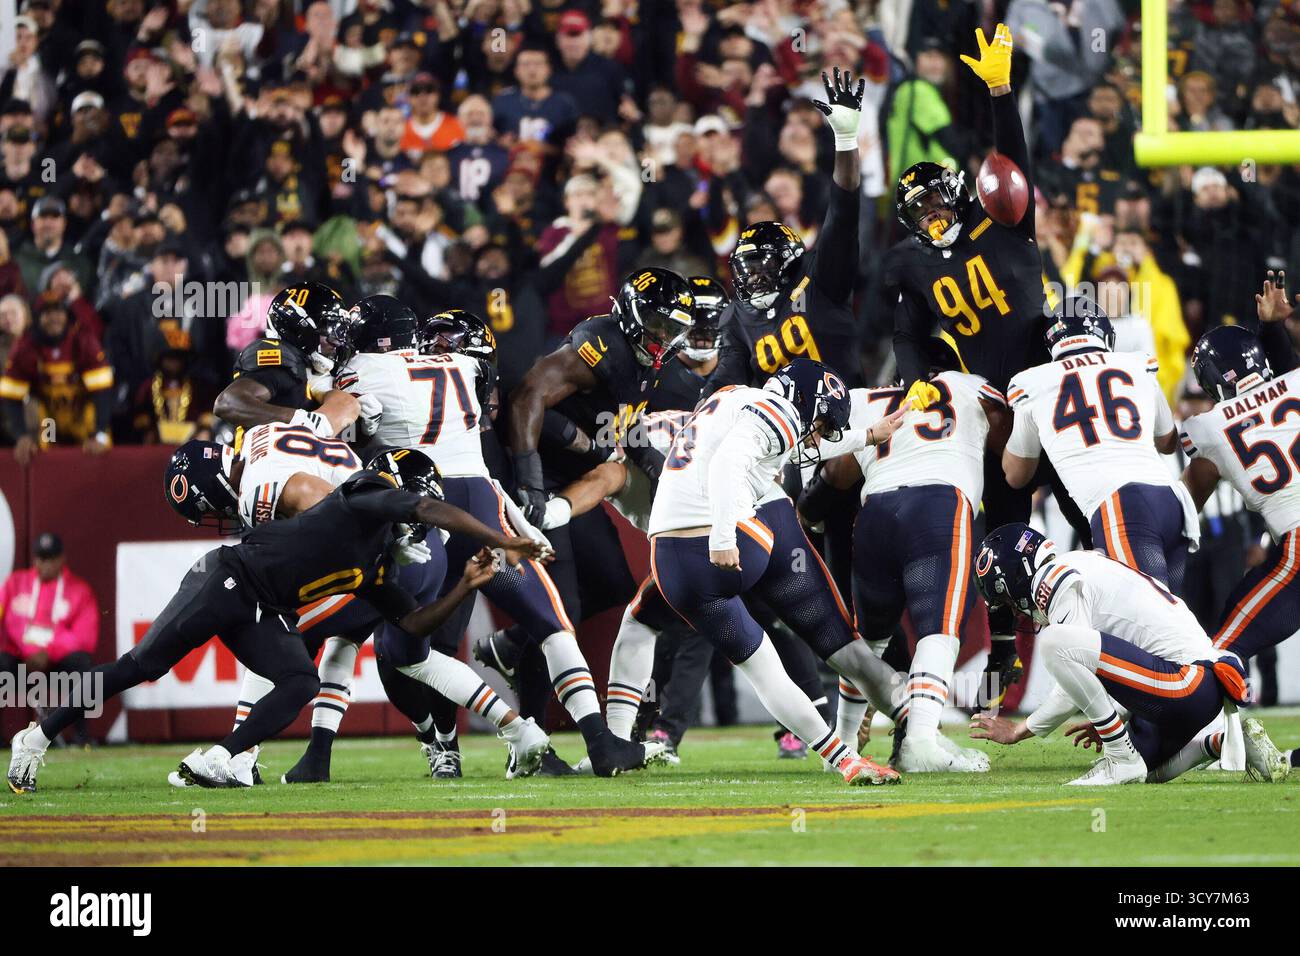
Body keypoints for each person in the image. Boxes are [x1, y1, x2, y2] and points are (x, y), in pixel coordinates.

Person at [7, 447, 548, 794]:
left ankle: (222, 758)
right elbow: (424, 510)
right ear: (399, 495)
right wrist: (500, 538)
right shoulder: (359, 497)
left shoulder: (380, 565)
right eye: (413, 507)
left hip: (265, 608)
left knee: (300, 681)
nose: (421, 526)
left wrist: (465, 585)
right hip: (229, 579)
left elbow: (412, 628)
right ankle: (37, 735)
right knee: (142, 665)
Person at [333, 301, 662, 776]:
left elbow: (350, 435)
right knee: (550, 623)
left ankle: (491, 736)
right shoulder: (465, 367)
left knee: (405, 645)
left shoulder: (368, 370)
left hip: (423, 506)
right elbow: (490, 443)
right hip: (481, 500)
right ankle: (594, 740)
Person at [886, 23, 1087, 698]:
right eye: (919, 209)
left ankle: (1125, 639)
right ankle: (1005, 657)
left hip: (1047, 393)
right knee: (998, 539)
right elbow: (910, 334)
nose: (932, 215)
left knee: (1086, 516)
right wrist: (917, 384)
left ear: (961, 194)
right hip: (997, 411)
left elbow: (1018, 165)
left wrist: (1001, 91)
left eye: (938, 200)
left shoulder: (1005, 220)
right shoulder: (910, 265)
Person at [641, 358, 909, 786]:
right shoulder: (778, 410)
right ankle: (896, 708)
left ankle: (844, 759)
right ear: (805, 400)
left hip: (670, 563)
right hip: (724, 542)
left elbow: (787, 450)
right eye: (819, 420)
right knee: (828, 629)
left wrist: (867, 436)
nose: (816, 431)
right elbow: (730, 463)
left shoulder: (729, 402)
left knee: (765, 671)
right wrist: (724, 537)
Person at [801, 337, 1008, 772]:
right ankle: (919, 742)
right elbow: (1008, 435)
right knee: (939, 628)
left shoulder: (866, 399)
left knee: (869, 639)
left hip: (875, 510)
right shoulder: (969, 384)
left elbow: (838, 474)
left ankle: (843, 743)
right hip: (938, 503)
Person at [968, 523, 1288, 785]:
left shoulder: (1053, 578)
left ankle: (1120, 756)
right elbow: (1126, 653)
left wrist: (1020, 730)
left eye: (1007, 599)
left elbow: (1069, 674)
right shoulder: (1082, 564)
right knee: (1146, 772)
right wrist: (1116, 713)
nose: (1014, 609)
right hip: (1197, 690)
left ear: (1017, 575)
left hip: (1185, 682)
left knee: (1055, 641)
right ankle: (1222, 744)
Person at [1002, 295, 1193, 591]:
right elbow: (1168, 443)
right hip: (1169, 500)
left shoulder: (1033, 382)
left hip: (1121, 508)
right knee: (1173, 622)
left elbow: (1015, 476)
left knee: (1146, 625)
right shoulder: (1137, 364)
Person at [705, 67, 865, 392]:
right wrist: (700, 409)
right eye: (747, 268)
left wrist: (846, 141)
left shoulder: (818, 278)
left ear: (789, 260)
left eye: (763, 265)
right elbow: (726, 379)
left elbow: (843, 211)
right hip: (781, 433)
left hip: (849, 417)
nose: (754, 277)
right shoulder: (736, 317)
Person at [0, 532, 99, 745]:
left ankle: (82, 738)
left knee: (82, 665)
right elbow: (4, 622)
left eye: (51, 559)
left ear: (61, 559)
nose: (45, 564)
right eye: (41, 558)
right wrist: (27, 651)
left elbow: (84, 638)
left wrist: (48, 652)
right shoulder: (14, 584)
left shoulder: (79, 591)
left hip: (56, 662)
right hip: (21, 661)